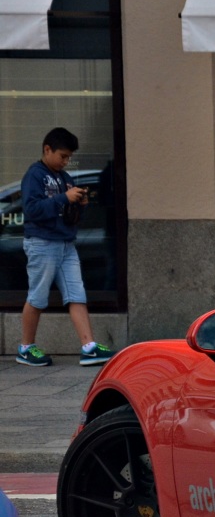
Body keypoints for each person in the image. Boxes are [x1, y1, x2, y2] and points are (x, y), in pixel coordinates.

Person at [17, 127, 115, 367]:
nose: (65, 161)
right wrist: (63, 198)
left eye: (69, 157)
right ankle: (25, 347)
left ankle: (88, 346)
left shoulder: (64, 178)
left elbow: (68, 215)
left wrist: (80, 204)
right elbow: (31, 209)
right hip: (42, 243)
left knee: (76, 293)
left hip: (65, 243)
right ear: (46, 149)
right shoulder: (35, 175)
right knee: (38, 296)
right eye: (62, 156)